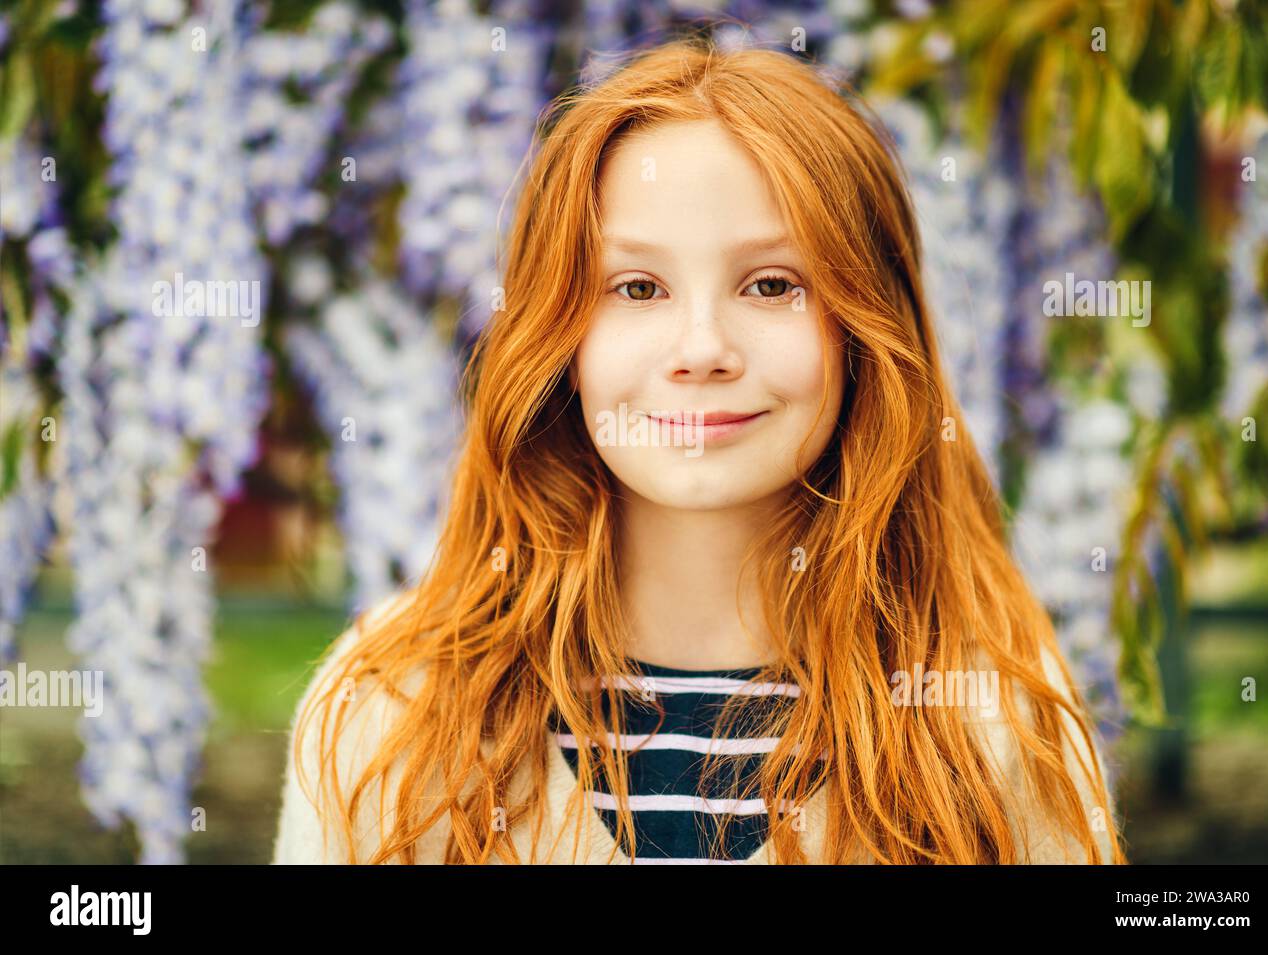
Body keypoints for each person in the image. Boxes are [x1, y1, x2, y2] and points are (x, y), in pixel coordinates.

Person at [272, 33, 1126, 865]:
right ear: (556, 336)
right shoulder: (391, 707)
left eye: (771, 285)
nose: (702, 346)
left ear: (868, 330)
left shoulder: (990, 715)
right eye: (636, 287)